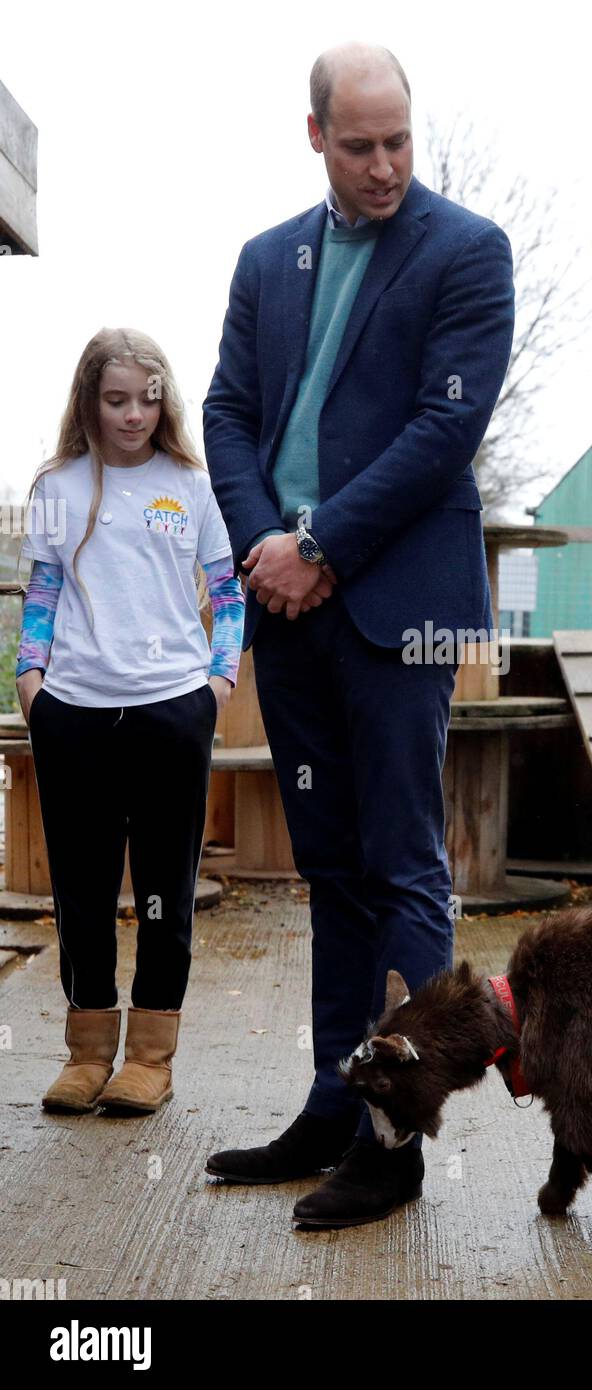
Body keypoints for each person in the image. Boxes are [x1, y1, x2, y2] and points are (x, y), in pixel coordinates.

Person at [202, 40, 515, 1227]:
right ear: (315, 135)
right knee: (328, 870)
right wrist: (263, 550)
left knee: (399, 870)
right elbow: (228, 412)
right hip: (287, 610)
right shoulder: (262, 261)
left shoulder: (465, 251)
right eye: (359, 144)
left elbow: (443, 434)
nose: (384, 166)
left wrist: (319, 545)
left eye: (399, 142)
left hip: (396, 614)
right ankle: (334, 1107)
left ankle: (394, 1142)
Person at [16, 327, 244, 1115]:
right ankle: (85, 1053)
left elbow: (228, 591)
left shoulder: (189, 483)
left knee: (162, 891)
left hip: (171, 709)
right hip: (72, 710)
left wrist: (217, 683)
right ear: (88, 399)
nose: (134, 415)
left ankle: (150, 1057)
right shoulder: (58, 486)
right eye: (117, 399)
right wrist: (30, 679)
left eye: (149, 399)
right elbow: (41, 592)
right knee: (80, 891)